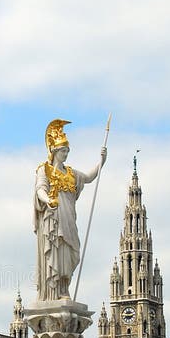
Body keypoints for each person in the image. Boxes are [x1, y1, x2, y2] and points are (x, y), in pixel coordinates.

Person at [34, 119, 106, 300]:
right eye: (63, 151)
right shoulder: (45, 170)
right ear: (55, 151)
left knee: (70, 252)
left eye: (67, 151)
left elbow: (89, 177)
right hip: (53, 216)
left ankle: (64, 286)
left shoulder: (72, 173)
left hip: (69, 218)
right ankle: (55, 291)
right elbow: (40, 189)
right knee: (56, 250)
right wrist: (48, 199)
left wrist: (101, 161)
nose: (66, 154)